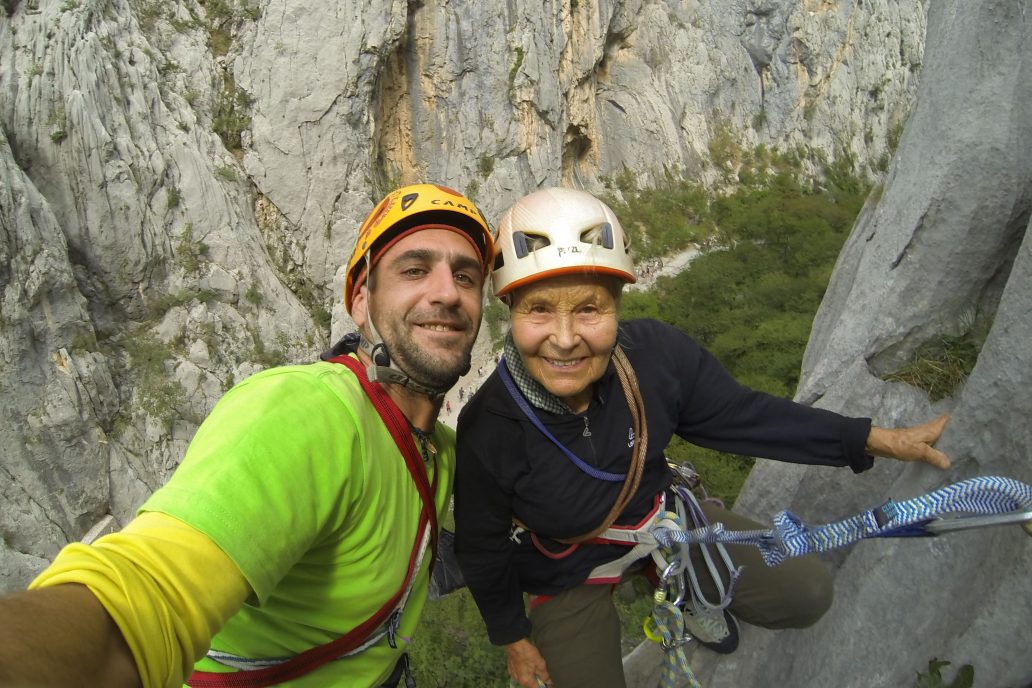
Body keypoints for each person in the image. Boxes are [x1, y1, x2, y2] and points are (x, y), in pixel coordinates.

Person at [452, 187, 951, 688]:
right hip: (567, 566)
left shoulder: (653, 359)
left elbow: (744, 416)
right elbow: (483, 547)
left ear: (618, 304)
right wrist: (513, 640)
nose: (564, 338)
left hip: (662, 520)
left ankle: (678, 583)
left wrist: (872, 440)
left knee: (808, 593)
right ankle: (648, 581)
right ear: (510, 308)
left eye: (589, 309)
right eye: (539, 309)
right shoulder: (490, 426)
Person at [0, 183, 494, 688]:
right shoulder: (308, 414)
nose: (446, 292)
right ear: (362, 302)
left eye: (465, 276)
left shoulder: (440, 449)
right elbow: (147, 595)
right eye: (414, 270)